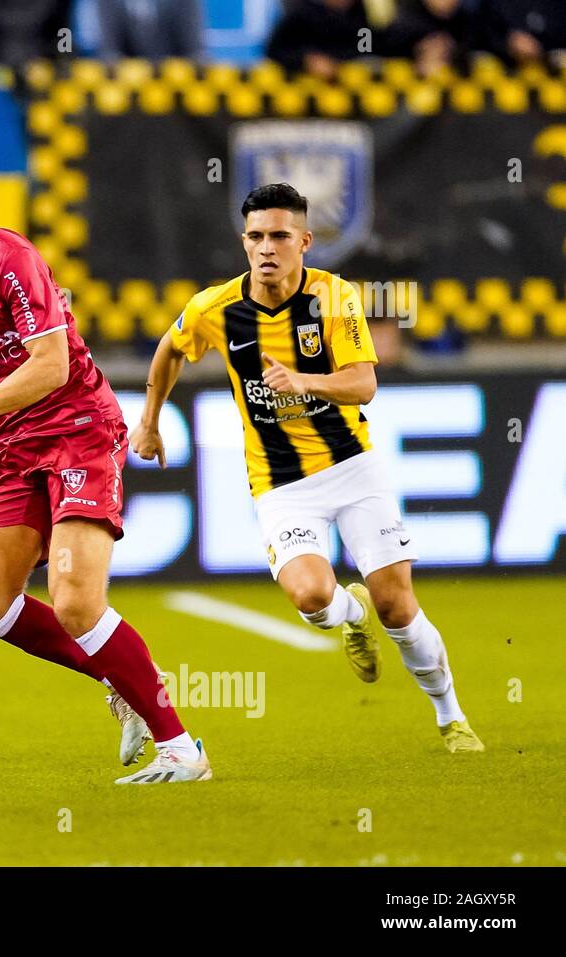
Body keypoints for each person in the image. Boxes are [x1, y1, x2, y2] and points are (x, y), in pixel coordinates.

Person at [0, 143, 209, 785]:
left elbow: (51, 367)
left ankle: (181, 749)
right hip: (17, 442)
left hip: (80, 426)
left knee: (77, 602)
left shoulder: (9, 257)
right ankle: (127, 678)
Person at [132, 183, 483, 754]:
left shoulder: (334, 297)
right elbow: (170, 350)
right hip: (280, 483)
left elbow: (364, 382)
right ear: (244, 242)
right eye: (255, 237)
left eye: (278, 236)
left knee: (398, 606)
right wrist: (149, 420)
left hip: (352, 468)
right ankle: (350, 615)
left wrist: (305, 381)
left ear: (304, 241)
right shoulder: (214, 309)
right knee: (311, 598)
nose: (266, 247)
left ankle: (450, 715)